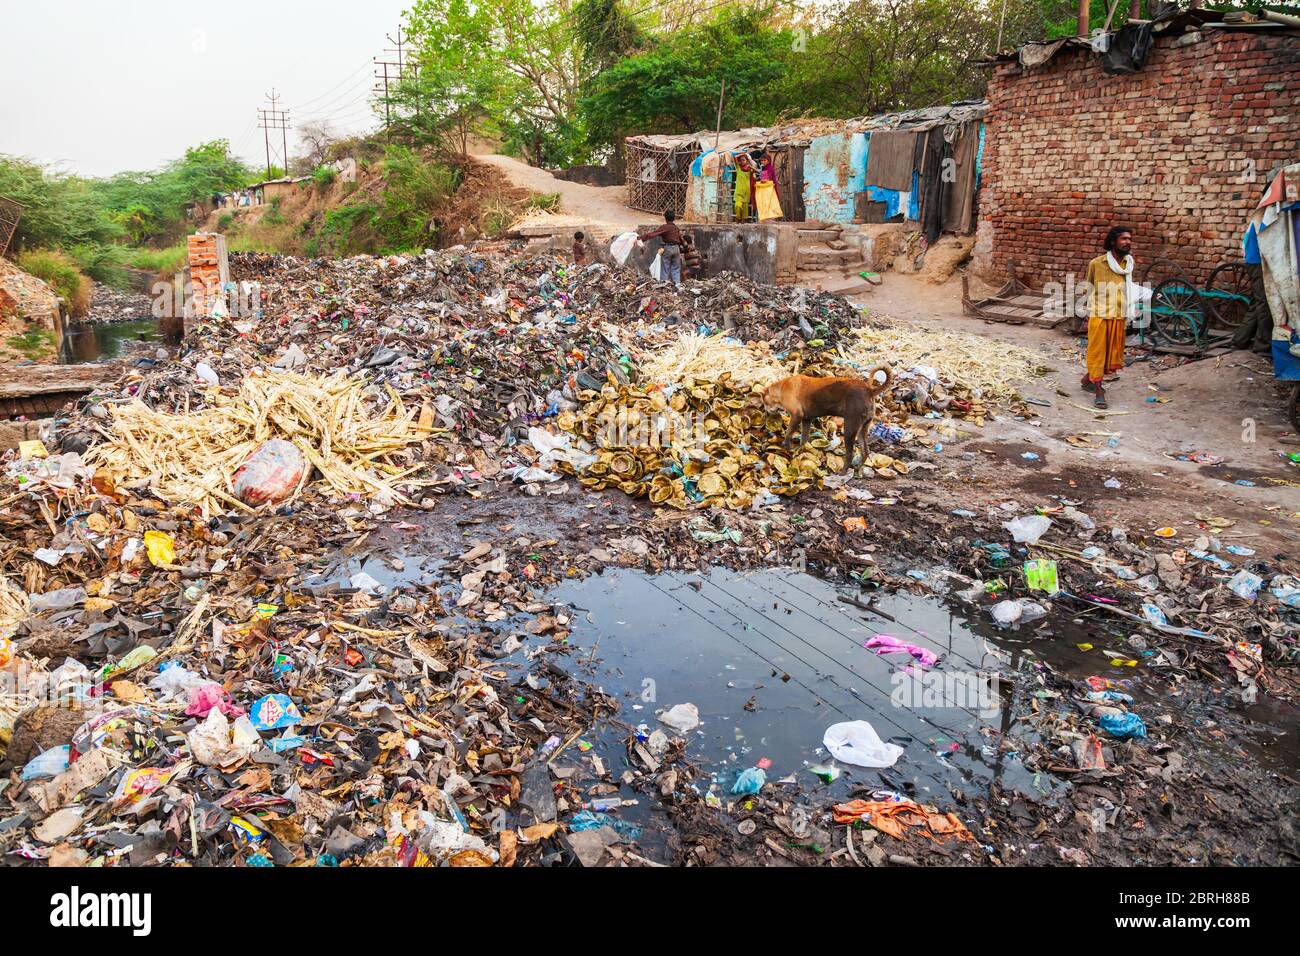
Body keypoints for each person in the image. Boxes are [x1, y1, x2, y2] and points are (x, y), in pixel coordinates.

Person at [1082, 226, 1135, 409]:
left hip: (1119, 315)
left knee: (1108, 354)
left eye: (1129, 239)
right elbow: (1087, 288)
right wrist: (1085, 314)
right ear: (1113, 241)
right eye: (1124, 239)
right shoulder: (1097, 263)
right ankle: (1099, 391)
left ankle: (1087, 380)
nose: (1128, 242)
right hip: (1100, 315)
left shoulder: (1128, 264)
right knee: (1097, 353)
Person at [638, 209, 685, 286]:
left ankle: (664, 285)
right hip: (676, 248)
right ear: (674, 218)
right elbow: (681, 239)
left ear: (665, 218)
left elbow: (653, 234)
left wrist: (642, 238)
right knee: (676, 269)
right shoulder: (676, 228)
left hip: (668, 248)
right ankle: (677, 286)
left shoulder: (665, 227)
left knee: (665, 269)